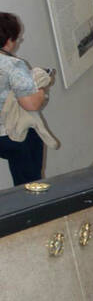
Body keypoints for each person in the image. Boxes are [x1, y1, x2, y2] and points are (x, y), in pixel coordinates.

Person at [0, 13, 48, 186]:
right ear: (9, 40)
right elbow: (31, 103)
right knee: (30, 183)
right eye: (17, 39)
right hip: (13, 134)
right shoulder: (13, 65)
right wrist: (41, 87)